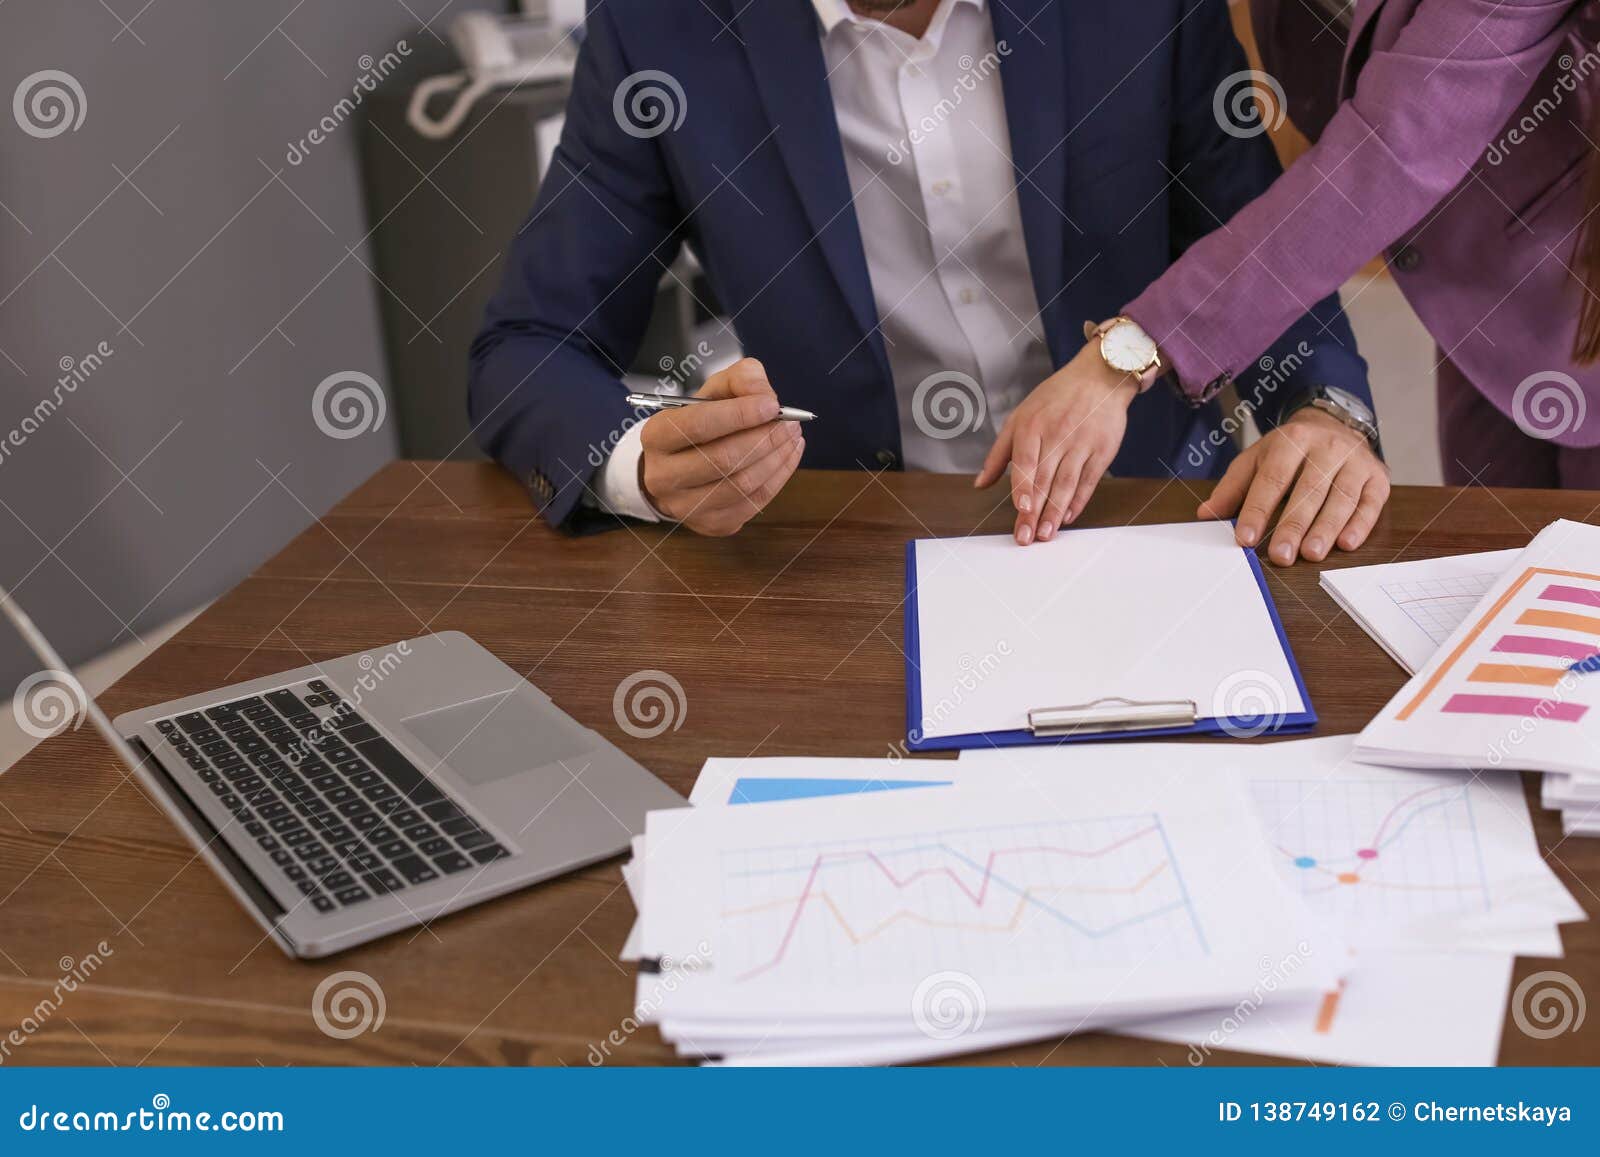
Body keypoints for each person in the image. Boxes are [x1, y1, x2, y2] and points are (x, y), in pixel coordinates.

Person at [469, 0, 1384, 551]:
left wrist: (1327, 410)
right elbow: (527, 345)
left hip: (1155, 521)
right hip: (844, 552)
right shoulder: (658, 30)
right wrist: (640, 465)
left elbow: (1258, 234)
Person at [1022, 0, 1600, 563]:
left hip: (1578, 276)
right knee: (1486, 583)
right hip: (1478, 288)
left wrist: (1126, 355)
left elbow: (1384, 152)